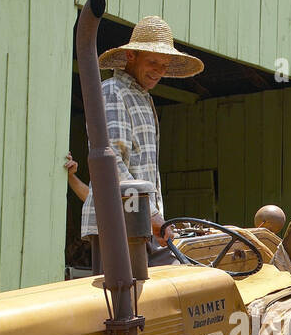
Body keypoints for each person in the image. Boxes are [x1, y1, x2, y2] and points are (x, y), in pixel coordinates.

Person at [80, 15, 204, 259]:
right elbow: (112, 162)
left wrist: (154, 217)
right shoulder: (114, 92)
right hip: (119, 223)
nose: (159, 71)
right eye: (153, 61)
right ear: (130, 56)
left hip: (139, 222)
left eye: (164, 65)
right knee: (125, 294)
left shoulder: (142, 97)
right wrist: (152, 214)